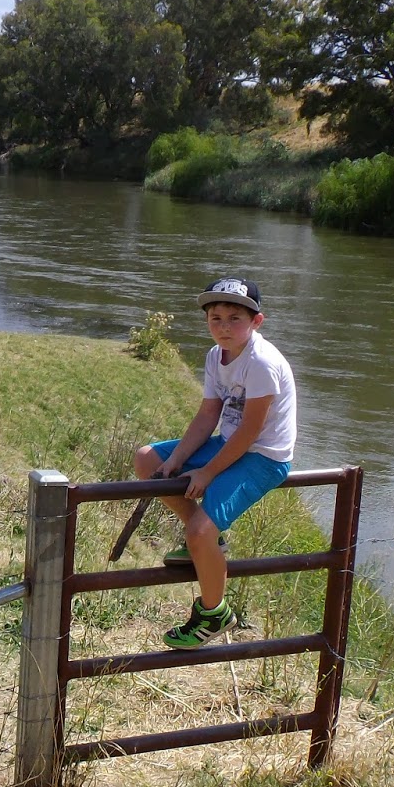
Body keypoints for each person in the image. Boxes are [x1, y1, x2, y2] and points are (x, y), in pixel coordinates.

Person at [133, 276, 296, 648]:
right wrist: (175, 460)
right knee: (147, 461)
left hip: (264, 456)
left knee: (198, 532)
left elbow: (251, 431)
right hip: (230, 442)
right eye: (215, 318)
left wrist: (207, 471)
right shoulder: (215, 355)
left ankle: (214, 613)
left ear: (257, 321)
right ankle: (209, 546)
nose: (223, 327)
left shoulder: (261, 362)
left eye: (234, 318)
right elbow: (209, 414)